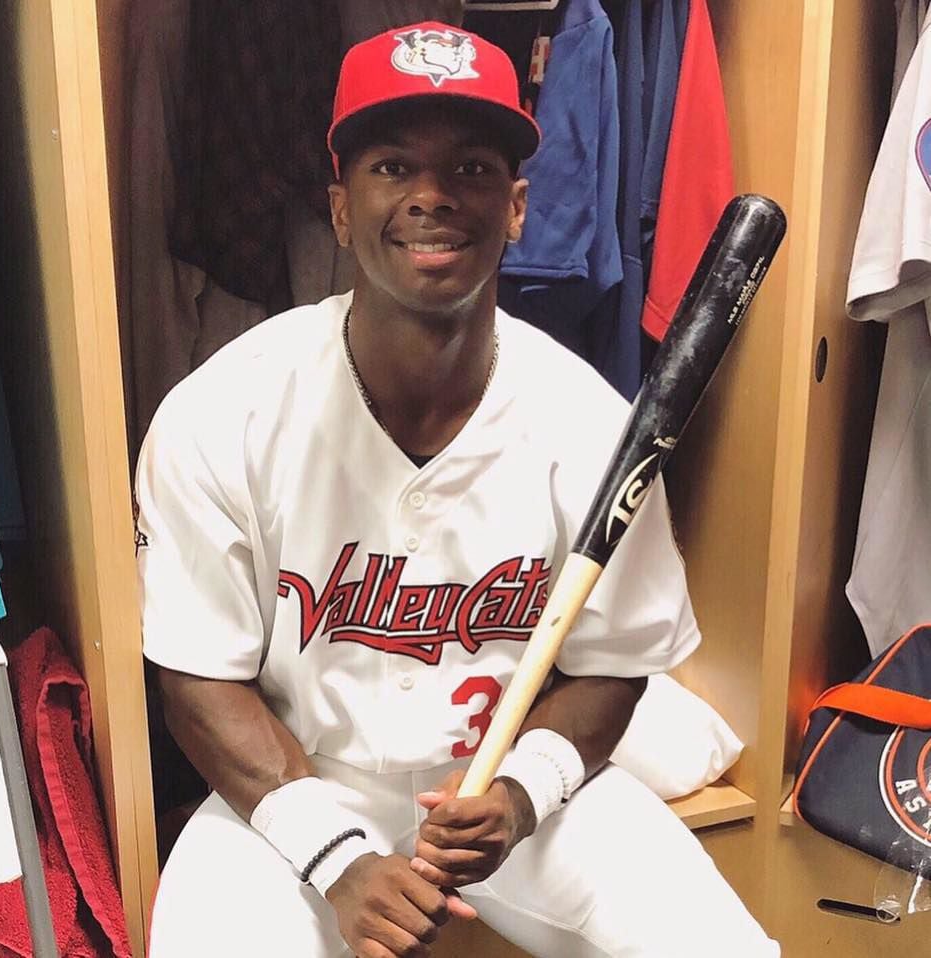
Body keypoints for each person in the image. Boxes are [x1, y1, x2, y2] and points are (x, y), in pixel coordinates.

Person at [137, 21, 780, 958]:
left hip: (502, 782)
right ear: (342, 207)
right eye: (393, 167)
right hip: (296, 786)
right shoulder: (221, 411)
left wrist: (524, 795)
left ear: (518, 206)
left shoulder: (592, 424)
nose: (432, 197)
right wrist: (333, 854)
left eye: (472, 169)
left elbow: (610, 664)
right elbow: (197, 678)